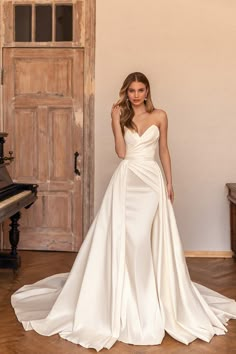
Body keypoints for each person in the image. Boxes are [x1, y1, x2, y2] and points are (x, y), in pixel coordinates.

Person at [11, 72, 236, 352]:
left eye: (141, 90)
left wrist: (169, 181)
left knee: (142, 239)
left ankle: (146, 297)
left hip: (151, 182)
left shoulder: (161, 116)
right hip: (127, 180)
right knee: (127, 239)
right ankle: (126, 297)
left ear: (148, 91)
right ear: (126, 92)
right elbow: (121, 152)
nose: (137, 95)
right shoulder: (122, 116)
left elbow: (164, 150)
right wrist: (114, 122)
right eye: (132, 90)